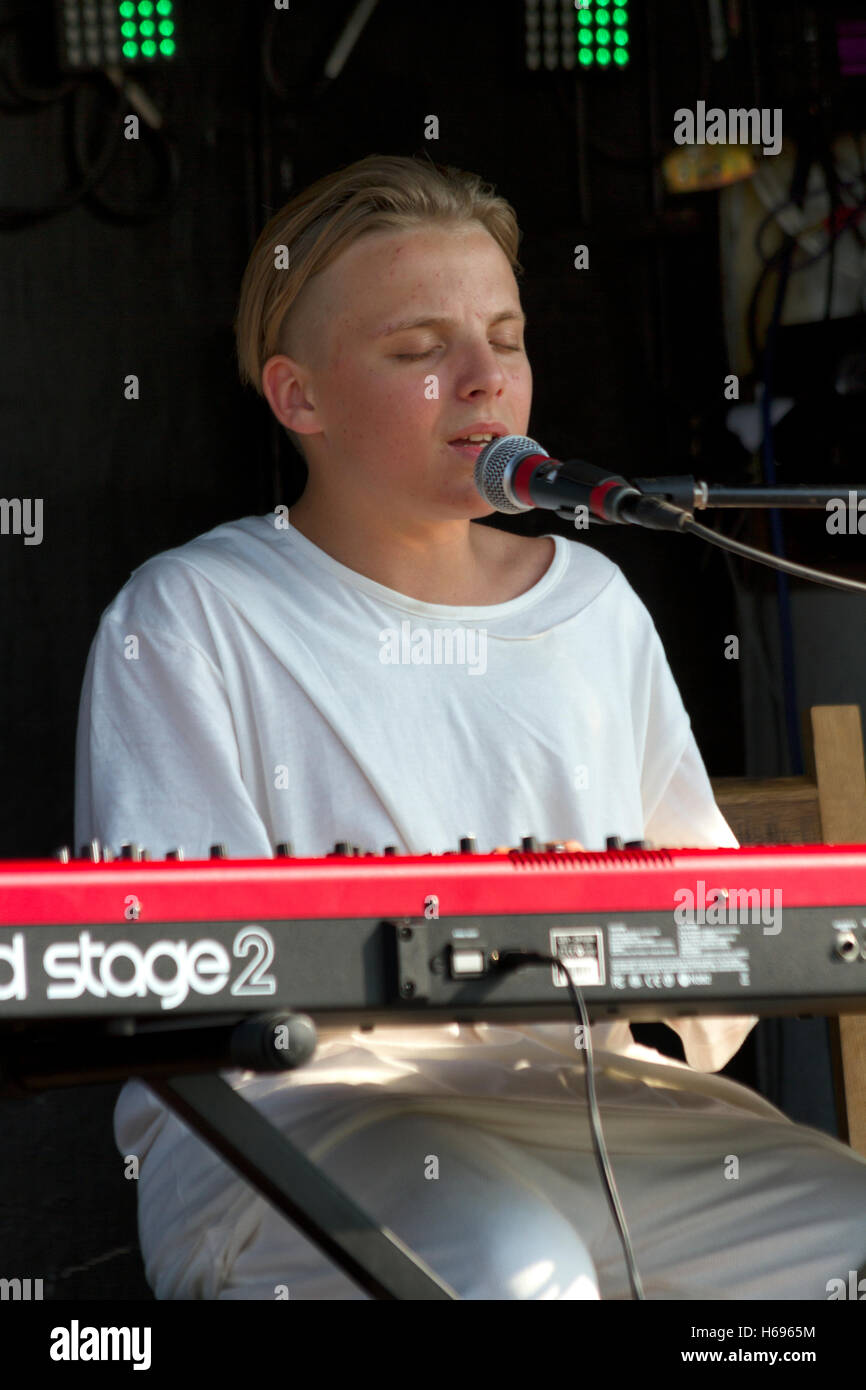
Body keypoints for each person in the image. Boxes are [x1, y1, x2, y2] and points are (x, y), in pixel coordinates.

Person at [75, 154, 866, 1300]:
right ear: (299, 398)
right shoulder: (194, 614)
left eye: (505, 337)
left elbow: (711, 936)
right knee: (508, 1266)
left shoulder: (592, 603)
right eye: (417, 350)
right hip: (297, 1124)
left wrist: (644, 966)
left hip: (591, 1111)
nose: (484, 377)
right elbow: (174, 973)